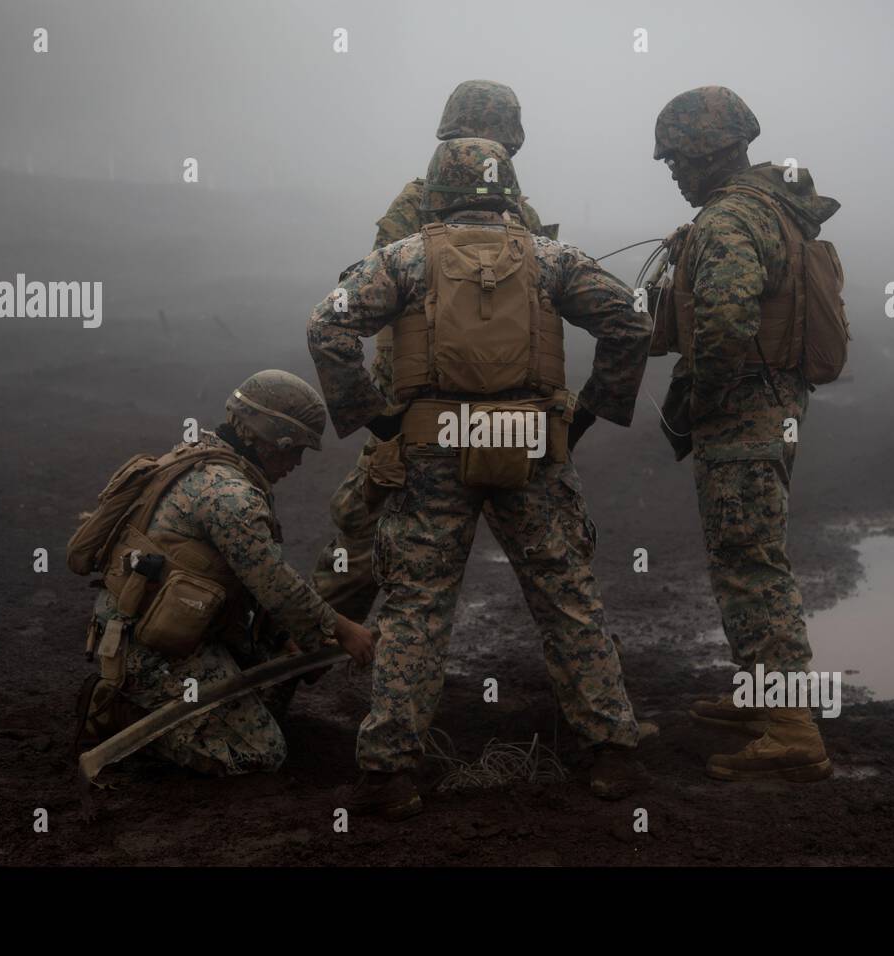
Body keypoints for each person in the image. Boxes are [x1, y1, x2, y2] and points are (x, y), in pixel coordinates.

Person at [308, 138, 651, 819]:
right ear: (509, 190)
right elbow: (631, 320)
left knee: (417, 606)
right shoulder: (550, 257)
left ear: (437, 190)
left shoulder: (404, 258)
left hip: (433, 449)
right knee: (566, 596)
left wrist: (374, 419)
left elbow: (327, 326)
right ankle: (611, 748)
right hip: (531, 447)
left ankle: (390, 771)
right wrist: (586, 415)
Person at [310, 79, 554, 625]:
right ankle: (282, 673)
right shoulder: (428, 206)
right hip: (434, 404)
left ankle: (286, 678)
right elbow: (371, 290)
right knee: (363, 551)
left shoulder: (513, 213)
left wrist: (375, 417)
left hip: (442, 411)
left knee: (379, 556)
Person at [651, 86, 840, 781]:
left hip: (744, 418)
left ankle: (790, 728)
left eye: (676, 157)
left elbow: (726, 325)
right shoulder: (766, 210)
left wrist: (699, 400)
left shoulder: (730, 220)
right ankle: (766, 698)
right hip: (774, 407)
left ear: (708, 151)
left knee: (751, 565)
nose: (671, 170)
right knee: (749, 555)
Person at [72, 370, 375, 776]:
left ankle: (196, 706)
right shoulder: (228, 495)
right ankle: (120, 711)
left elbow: (246, 582)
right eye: (294, 449)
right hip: (153, 649)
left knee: (277, 683)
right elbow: (275, 584)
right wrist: (343, 630)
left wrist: (285, 639)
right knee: (259, 753)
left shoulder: (205, 458)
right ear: (270, 439)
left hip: (181, 626)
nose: (297, 463)